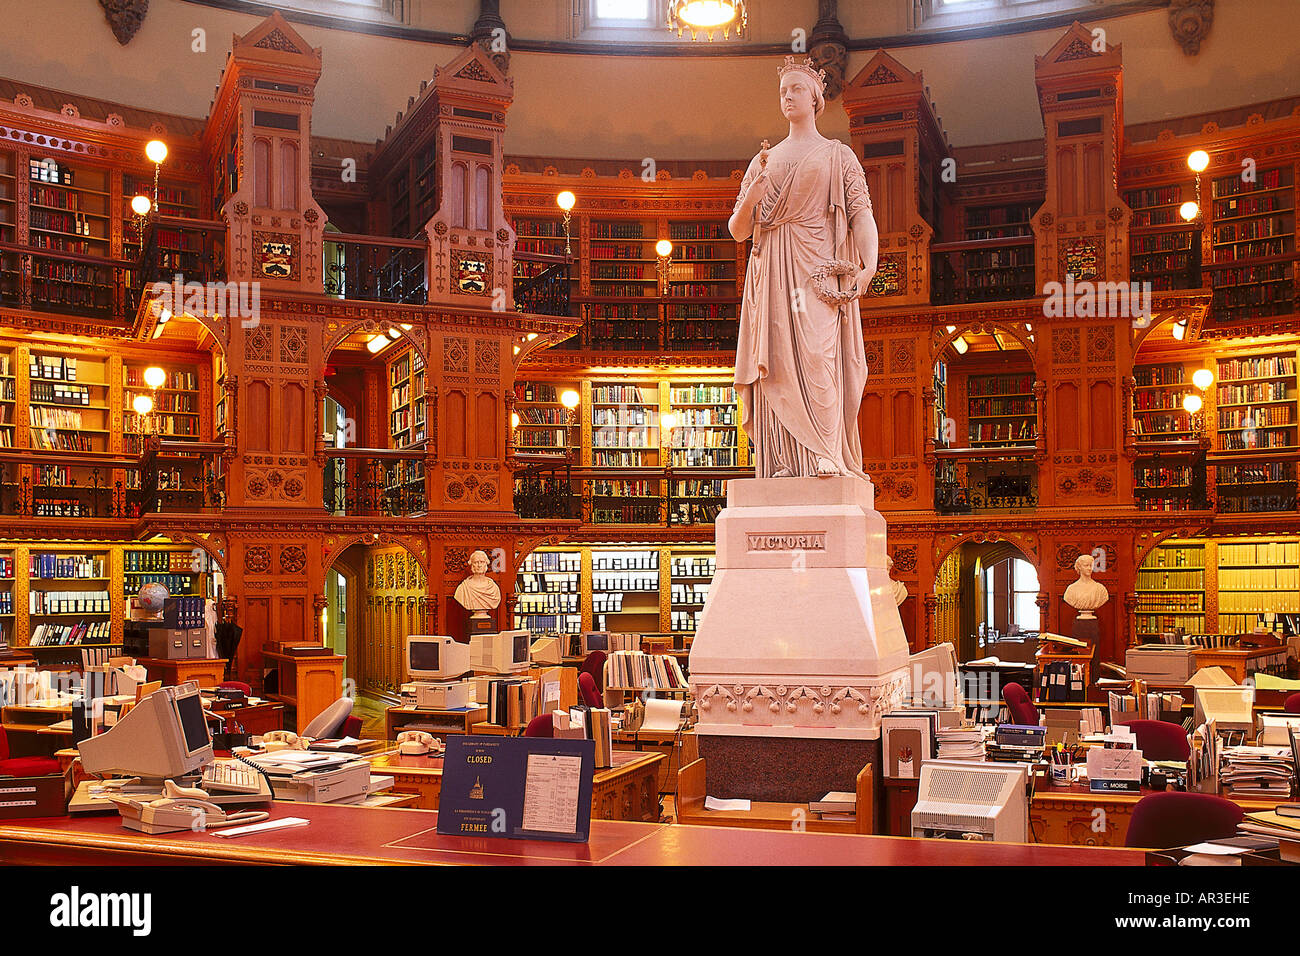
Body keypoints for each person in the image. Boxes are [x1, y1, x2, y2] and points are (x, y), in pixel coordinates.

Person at [730, 56, 880, 479]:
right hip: (770, 272)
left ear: (815, 97)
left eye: (796, 89)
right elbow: (738, 231)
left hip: (817, 271)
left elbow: (861, 214)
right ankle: (781, 462)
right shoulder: (762, 161)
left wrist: (868, 264)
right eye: (782, 92)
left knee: (819, 356)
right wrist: (752, 195)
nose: (787, 97)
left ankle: (826, 450)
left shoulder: (838, 155)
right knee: (774, 361)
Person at [453, 549, 500, 613]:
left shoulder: (493, 588)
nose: (479, 565)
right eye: (476, 562)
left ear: (486, 564)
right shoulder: (463, 588)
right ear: (472, 565)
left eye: (482, 562)